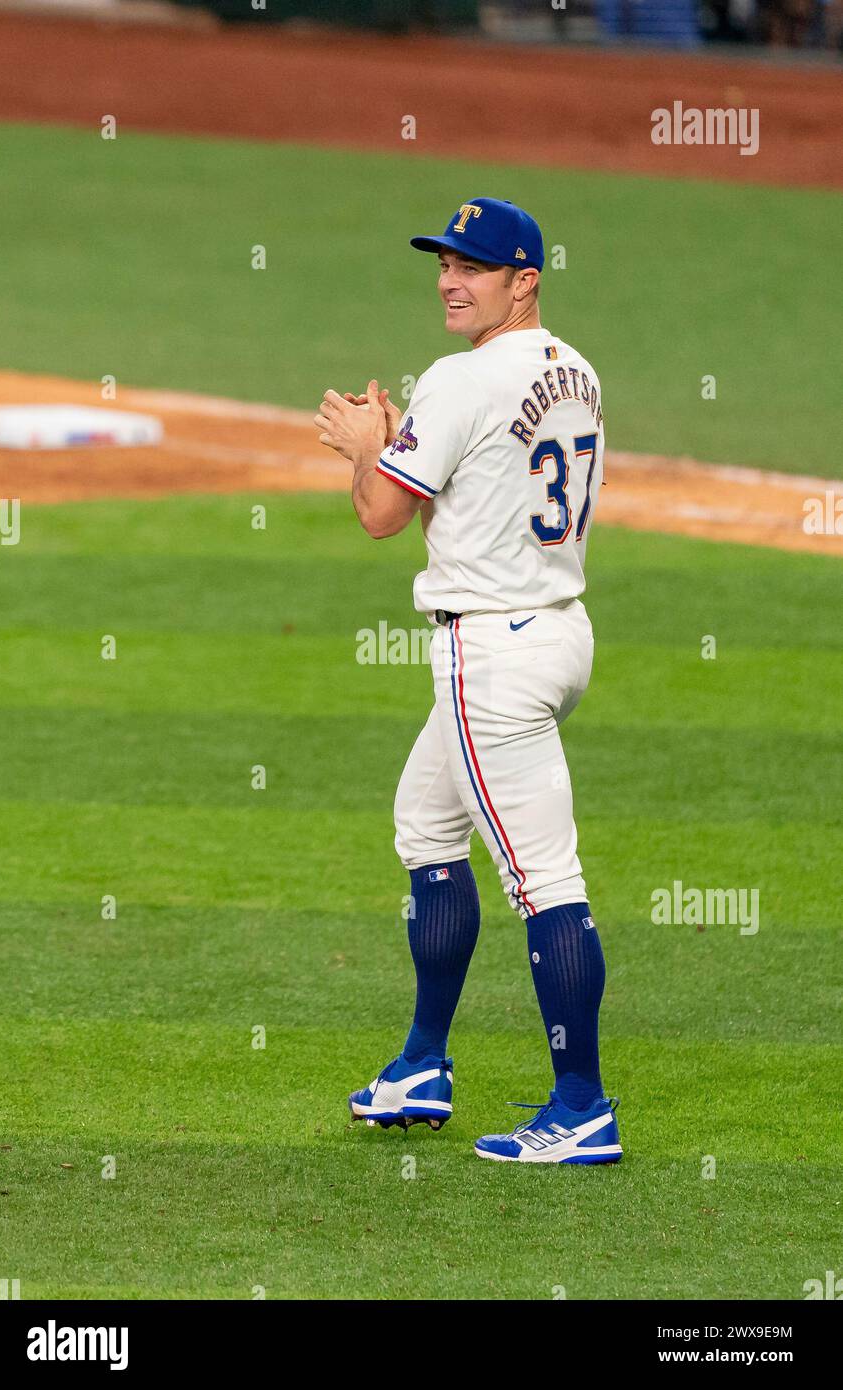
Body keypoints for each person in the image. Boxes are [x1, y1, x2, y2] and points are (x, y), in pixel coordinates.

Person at [315, 197, 621, 1164]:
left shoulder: (458, 379)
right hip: (557, 629)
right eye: (444, 263)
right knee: (427, 823)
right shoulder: (576, 368)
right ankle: (422, 1064)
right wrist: (412, 444)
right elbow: (483, 475)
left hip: (491, 657)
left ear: (523, 279)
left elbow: (378, 516)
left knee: (546, 883)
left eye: (474, 268)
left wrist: (371, 448)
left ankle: (581, 1107)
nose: (451, 280)